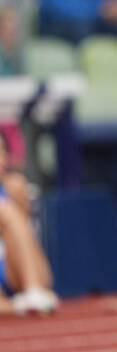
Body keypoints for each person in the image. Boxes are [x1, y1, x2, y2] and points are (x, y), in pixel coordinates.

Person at [0, 127, 57, 315]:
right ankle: (22, 303)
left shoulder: (14, 187)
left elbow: (26, 238)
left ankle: (32, 292)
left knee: (9, 205)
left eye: (3, 151)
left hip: (18, 272)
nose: (3, 159)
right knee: (5, 210)